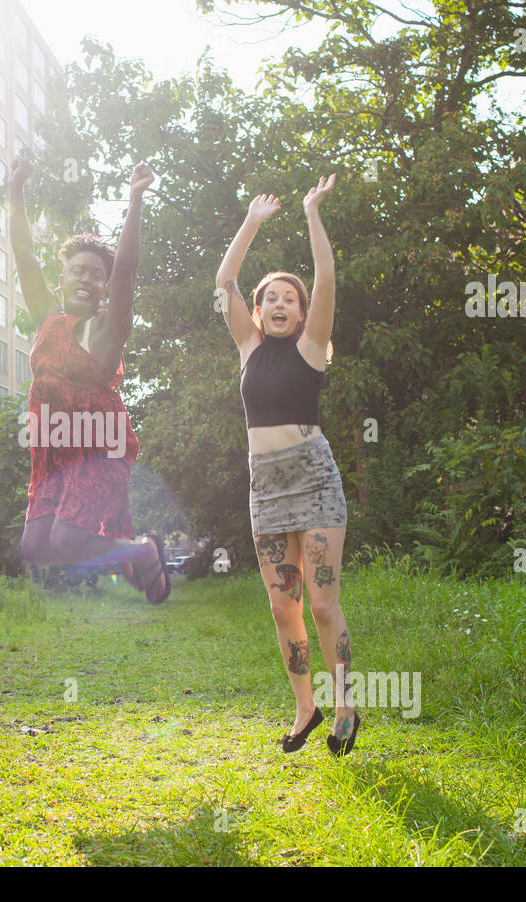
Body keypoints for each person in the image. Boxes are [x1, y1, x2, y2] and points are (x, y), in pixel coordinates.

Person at [214, 175, 359, 756]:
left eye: (288, 298)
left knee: (322, 602)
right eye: (270, 296)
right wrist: (252, 221)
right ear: (258, 310)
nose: (279, 302)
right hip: (265, 490)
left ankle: (346, 704)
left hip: (314, 480)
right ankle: (307, 707)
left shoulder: (309, 347)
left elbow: (326, 278)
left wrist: (311, 213)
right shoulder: (248, 349)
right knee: (283, 606)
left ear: (301, 314)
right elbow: (224, 282)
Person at [8, 156, 169, 603]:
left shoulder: (106, 330)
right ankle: (132, 560)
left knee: (64, 541)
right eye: (78, 271)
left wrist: (135, 198)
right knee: (36, 548)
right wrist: (15, 191)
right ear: (61, 281)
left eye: (96, 275)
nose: (87, 279)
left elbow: (127, 270)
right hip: (53, 451)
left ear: (102, 288)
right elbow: (23, 255)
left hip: (98, 446)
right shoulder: (46, 317)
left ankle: (140, 550)